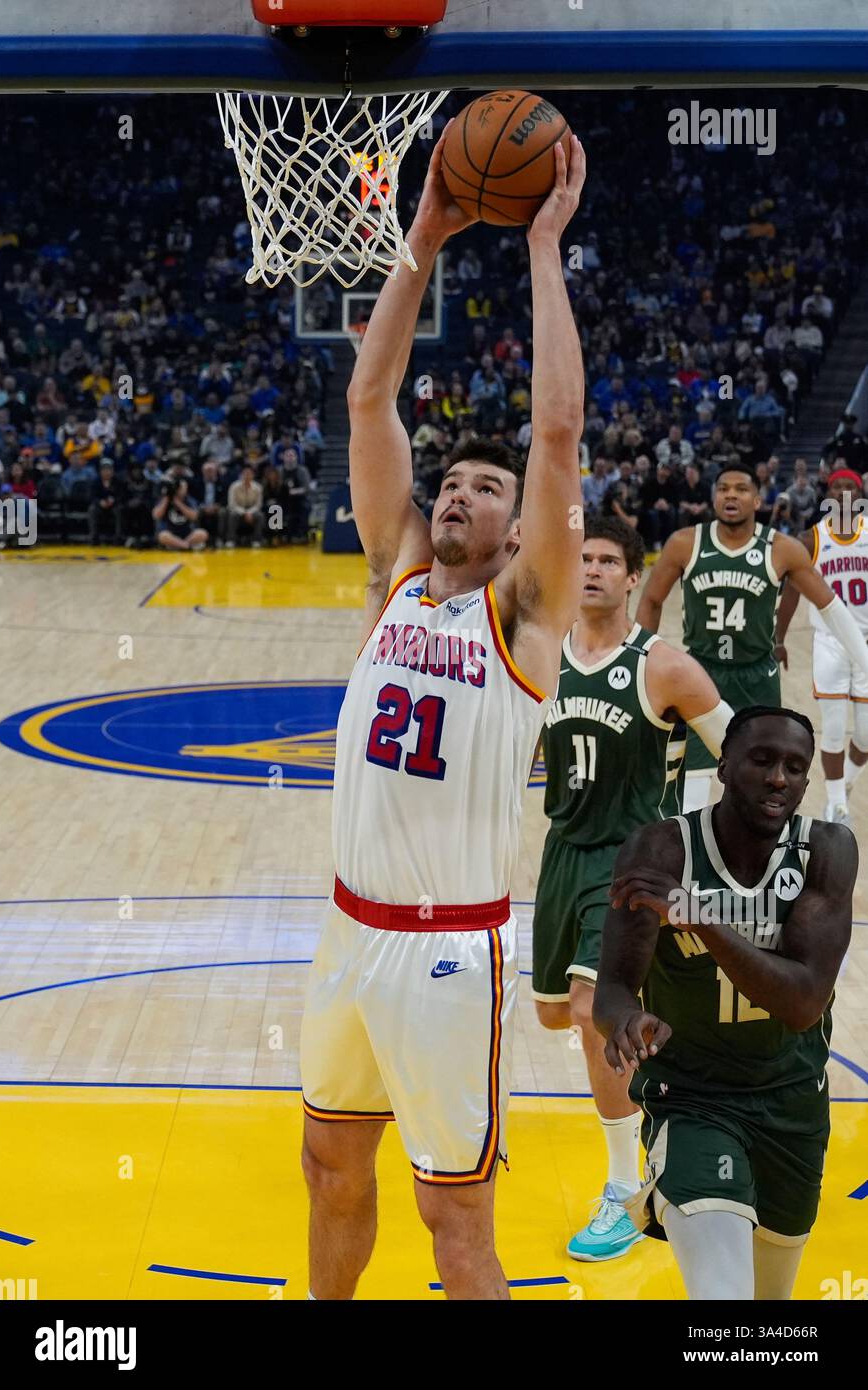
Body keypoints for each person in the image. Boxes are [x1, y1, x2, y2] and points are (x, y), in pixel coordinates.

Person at [300, 130, 587, 1301]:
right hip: (343, 932)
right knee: (326, 1163)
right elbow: (369, 394)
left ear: (520, 531)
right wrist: (417, 242)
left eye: (487, 486)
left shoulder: (524, 620)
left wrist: (541, 250)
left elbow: (557, 432)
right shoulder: (395, 576)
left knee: (450, 1210)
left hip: (446, 952)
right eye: (452, 480)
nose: (459, 491)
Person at [593, 708, 857, 1301]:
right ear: (724, 765)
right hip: (693, 1100)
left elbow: (803, 1002)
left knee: (768, 1307)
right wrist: (625, 1023)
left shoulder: (828, 850)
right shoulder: (660, 849)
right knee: (723, 1304)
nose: (779, 779)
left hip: (793, 1104)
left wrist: (697, 916)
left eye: (795, 767)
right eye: (762, 760)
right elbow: (612, 988)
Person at [533, 517, 732, 1262]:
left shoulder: (663, 666)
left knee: (593, 1012)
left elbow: (743, 752)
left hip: (629, 862)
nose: (589, 570)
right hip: (561, 854)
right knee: (560, 1018)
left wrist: (709, 846)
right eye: (580, 557)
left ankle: (627, 1191)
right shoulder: (543, 654)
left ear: (630, 577)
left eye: (606, 560)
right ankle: (673, 1098)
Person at [637, 463, 868, 811]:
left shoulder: (783, 548)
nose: (731, 494)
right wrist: (640, 664)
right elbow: (652, 600)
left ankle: (758, 851)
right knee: (696, 779)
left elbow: (831, 607)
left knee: (763, 777)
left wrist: (864, 660)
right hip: (701, 672)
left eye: (741, 489)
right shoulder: (685, 543)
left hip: (757, 675)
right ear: (714, 497)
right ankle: (690, 853)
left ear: (758, 499)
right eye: (723, 488)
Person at [775, 468, 868, 824]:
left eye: (851, 486)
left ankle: (845, 785)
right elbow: (792, 595)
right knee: (831, 727)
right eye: (837, 486)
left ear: (859, 496)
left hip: (865, 645)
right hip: (830, 643)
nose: (844, 491)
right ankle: (836, 805)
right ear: (828, 495)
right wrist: (779, 638)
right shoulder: (810, 539)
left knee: (864, 733)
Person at [152, 477, 208, 551]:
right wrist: (167, 498)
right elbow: (156, 515)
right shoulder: (165, 499)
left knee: (202, 533)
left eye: (182, 488)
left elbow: (194, 516)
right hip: (171, 533)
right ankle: (186, 546)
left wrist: (177, 502)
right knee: (162, 536)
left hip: (188, 534)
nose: (179, 490)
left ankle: (177, 545)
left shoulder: (189, 500)